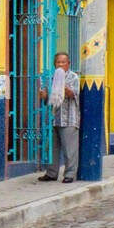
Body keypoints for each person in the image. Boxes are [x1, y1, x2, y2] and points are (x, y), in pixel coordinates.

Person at [38, 51, 81, 183]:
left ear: (68, 64)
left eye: (63, 62)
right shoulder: (50, 78)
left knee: (69, 150)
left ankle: (69, 174)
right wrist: (43, 94)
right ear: (54, 64)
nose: (61, 65)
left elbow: (73, 94)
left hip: (69, 118)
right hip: (53, 118)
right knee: (52, 148)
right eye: (58, 62)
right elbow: (46, 97)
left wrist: (62, 86)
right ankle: (51, 173)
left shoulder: (74, 77)